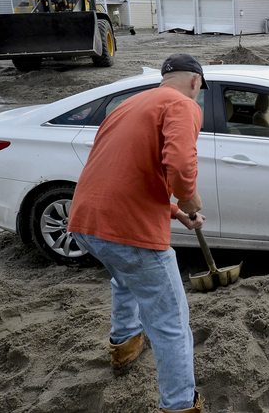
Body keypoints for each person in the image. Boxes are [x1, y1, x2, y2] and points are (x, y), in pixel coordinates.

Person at [68, 53, 209, 413]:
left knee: (124, 278)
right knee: (170, 323)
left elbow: (129, 171)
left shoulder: (129, 105)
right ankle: (180, 405)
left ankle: (124, 346)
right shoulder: (183, 104)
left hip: (86, 222)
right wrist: (190, 202)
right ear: (195, 82)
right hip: (128, 230)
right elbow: (178, 166)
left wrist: (177, 214)